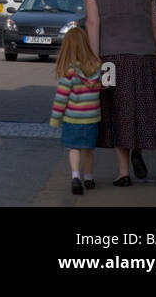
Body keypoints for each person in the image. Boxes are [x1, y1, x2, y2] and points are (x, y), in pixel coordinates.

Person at [84, 0, 156, 186]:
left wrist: (94, 57)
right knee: (141, 105)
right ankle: (138, 150)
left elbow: (92, 23)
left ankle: (123, 173)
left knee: (115, 109)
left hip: (110, 60)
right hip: (143, 56)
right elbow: (154, 23)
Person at [49, 25, 103, 194]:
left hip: (73, 118)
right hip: (92, 118)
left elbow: (61, 97)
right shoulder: (97, 68)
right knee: (88, 150)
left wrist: (56, 118)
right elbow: (103, 89)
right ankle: (89, 177)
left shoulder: (69, 71)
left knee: (74, 148)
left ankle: (75, 176)